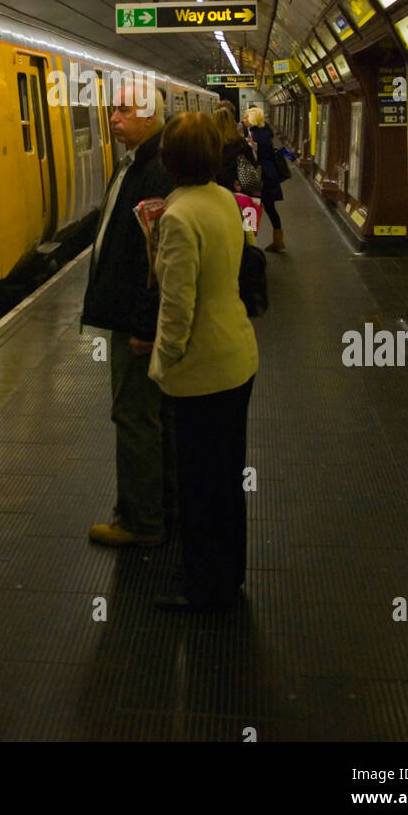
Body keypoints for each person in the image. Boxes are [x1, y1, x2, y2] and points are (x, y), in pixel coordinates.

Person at [148, 113, 258, 611]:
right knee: (226, 478)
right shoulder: (223, 201)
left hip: (202, 368)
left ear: (169, 159)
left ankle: (202, 589)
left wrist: (162, 362)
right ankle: (228, 575)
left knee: (198, 485)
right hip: (237, 354)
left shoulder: (176, 217)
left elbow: (177, 308)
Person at [82, 85, 175, 547]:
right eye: (112, 109)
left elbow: (152, 260)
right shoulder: (137, 162)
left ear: (150, 116)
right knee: (142, 416)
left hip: (136, 324)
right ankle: (153, 511)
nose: (114, 118)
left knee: (134, 416)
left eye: (124, 111)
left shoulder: (153, 171)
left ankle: (139, 521)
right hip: (129, 317)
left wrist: (144, 325)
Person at [244, 104, 286, 252]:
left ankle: (249, 242)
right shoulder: (265, 132)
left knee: (252, 207)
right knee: (270, 208)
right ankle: (278, 240)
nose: (244, 119)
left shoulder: (255, 135)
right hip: (270, 173)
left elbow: (255, 156)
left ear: (253, 118)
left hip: (261, 175)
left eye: (247, 116)